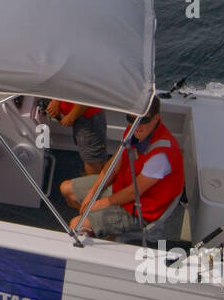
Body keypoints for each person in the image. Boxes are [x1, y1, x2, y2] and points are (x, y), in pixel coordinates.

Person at [59, 96, 184, 238]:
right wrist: (92, 194)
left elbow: (133, 193)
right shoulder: (133, 131)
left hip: (139, 209)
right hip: (121, 187)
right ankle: (100, 226)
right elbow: (115, 162)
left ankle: (102, 230)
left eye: (143, 120)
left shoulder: (160, 156)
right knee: (66, 190)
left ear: (156, 118)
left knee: (76, 225)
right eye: (132, 119)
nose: (136, 125)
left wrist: (98, 204)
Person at [42, 99, 108, 175]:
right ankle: (99, 178)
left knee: (92, 160)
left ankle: (94, 183)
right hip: (81, 116)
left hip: (88, 118)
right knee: (95, 154)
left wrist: (71, 117)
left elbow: (85, 97)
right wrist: (56, 100)